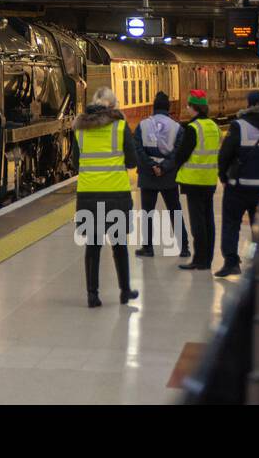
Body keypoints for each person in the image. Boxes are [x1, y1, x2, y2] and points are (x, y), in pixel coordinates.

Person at [72, 87, 140, 307]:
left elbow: (75, 163)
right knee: (119, 245)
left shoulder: (79, 129)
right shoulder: (120, 127)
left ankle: (92, 295)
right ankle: (125, 291)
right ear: (112, 106)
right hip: (116, 195)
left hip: (88, 194)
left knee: (93, 246)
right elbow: (132, 162)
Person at [214, 91, 259, 277]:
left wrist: (223, 177)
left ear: (249, 104)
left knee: (231, 224)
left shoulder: (238, 126)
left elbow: (224, 155)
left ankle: (231, 262)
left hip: (239, 187)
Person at [134, 91, 188, 258]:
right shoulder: (177, 127)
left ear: (153, 107)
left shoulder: (142, 125)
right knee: (175, 211)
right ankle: (184, 247)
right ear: (168, 108)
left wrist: (152, 166)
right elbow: (178, 153)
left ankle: (148, 248)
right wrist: (163, 167)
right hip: (168, 177)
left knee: (147, 213)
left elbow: (138, 150)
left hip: (148, 176)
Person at [174, 88, 220, 271]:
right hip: (209, 181)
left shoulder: (192, 128)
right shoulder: (214, 127)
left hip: (194, 181)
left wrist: (173, 167)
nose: (186, 108)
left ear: (193, 108)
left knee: (197, 222)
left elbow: (182, 154)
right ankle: (207, 258)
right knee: (209, 220)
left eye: (188, 105)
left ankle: (199, 259)